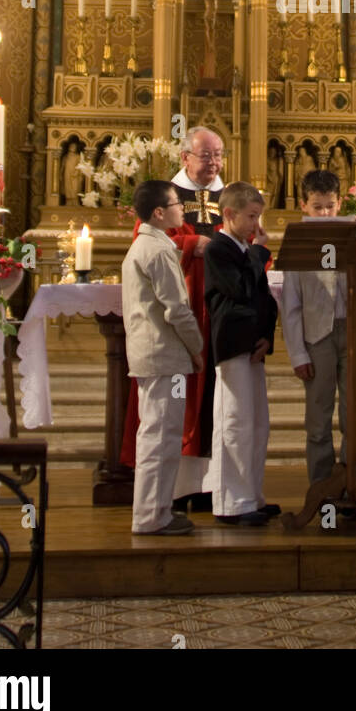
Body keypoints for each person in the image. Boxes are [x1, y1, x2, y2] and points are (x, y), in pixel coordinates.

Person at [120, 126, 225, 509]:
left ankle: (211, 485)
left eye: (218, 155)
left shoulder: (228, 195)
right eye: (205, 155)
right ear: (185, 157)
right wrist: (193, 244)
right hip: (181, 314)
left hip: (218, 307)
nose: (213, 163)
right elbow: (145, 240)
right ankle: (170, 498)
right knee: (168, 418)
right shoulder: (166, 197)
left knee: (213, 397)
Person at [122, 180, 204, 536]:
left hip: (154, 356)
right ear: (158, 212)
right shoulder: (158, 250)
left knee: (157, 435)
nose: (181, 208)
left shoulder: (147, 245)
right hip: (166, 358)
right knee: (162, 436)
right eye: (175, 203)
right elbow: (178, 310)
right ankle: (151, 517)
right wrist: (198, 348)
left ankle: (156, 511)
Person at [279, 169, 356, 486]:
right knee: (318, 419)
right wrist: (298, 354)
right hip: (317, 337)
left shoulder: (352, 234)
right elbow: (290, 304)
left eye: (330, 206)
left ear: (340, 202)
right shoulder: (297, 240)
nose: (325, 213)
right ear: (304, 205)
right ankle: (322, 486)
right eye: (317, 207)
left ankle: (353, 479)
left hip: (353, 331)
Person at [204, 181, 278, 524]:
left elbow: (264, 299)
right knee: (233, 422)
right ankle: (231, 502)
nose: (256, 225)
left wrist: (266, 336)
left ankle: (251, 494)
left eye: (258, 217)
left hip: (253, 345)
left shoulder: (245, 250)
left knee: (256, 423)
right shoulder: (219, 250)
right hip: (233, 343)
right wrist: (259, 252)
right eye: (251, 217)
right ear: (229, 213)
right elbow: (240, 290)